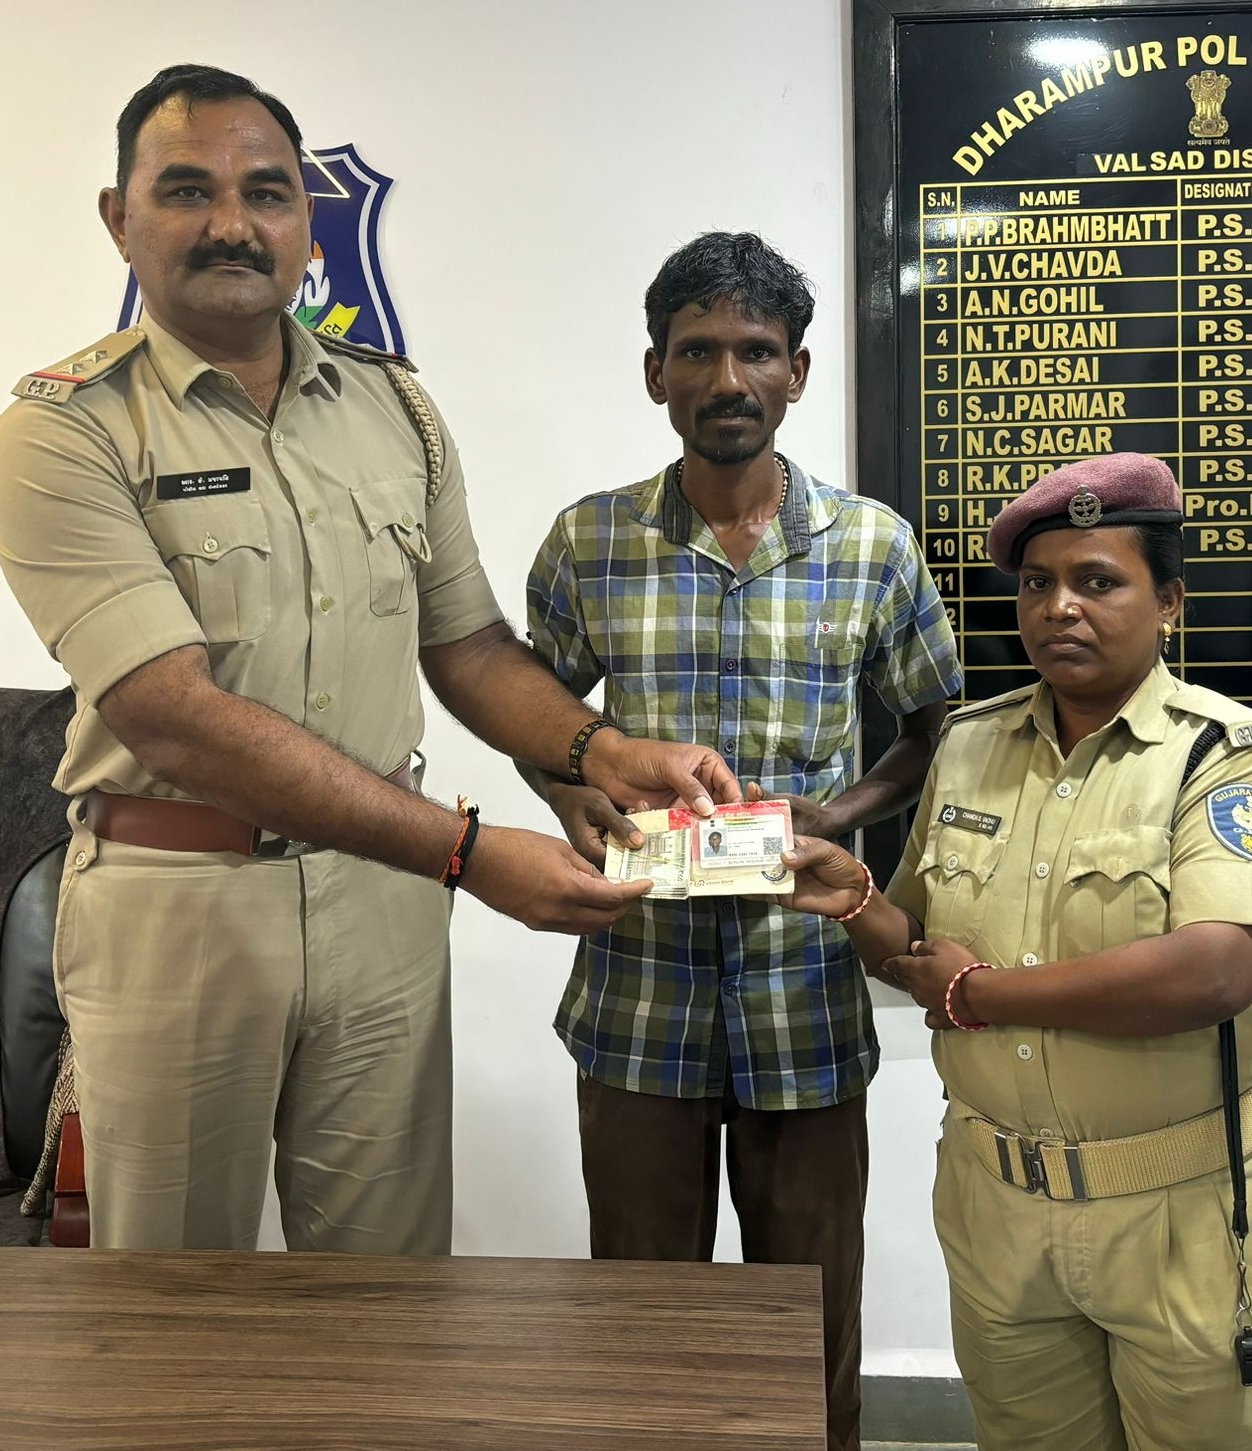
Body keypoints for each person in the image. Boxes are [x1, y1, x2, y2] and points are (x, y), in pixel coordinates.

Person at [0, 64, 739, 1254]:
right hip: (179, 905)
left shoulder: (397, 409)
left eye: (267, 192)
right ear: (118, 218)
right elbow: (170, 712)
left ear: (305, 221)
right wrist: (469, 852)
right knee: (174, 1306)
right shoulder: (64, 430)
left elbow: (470, 643)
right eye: (187, 189)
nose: (233, 222)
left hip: (382, 906)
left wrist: (605, 748)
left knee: (388, 1284)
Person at [523, 231, 962, 1451]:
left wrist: (843, 815)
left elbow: (936, 728)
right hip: (636, 987)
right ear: (655, 372)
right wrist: (577, 798)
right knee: (645, 1319)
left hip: (803, 994)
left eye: (755, 351)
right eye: (698, 351)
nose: (728, 378)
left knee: (810, 1324)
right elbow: (540, 723)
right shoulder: (586, 543)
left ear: (798, 371)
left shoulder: (871, 545)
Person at [779, 453, 1252, 1451]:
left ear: (1168, 604)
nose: (1059, 606)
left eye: (1098, 581)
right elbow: (916, 948)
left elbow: (1216, 968)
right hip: (999, 1213)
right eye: (1037, 583)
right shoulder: (970, 743)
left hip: (1182, 1218)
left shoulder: (1222, 754)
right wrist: (850, 898)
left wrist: (984, 992)